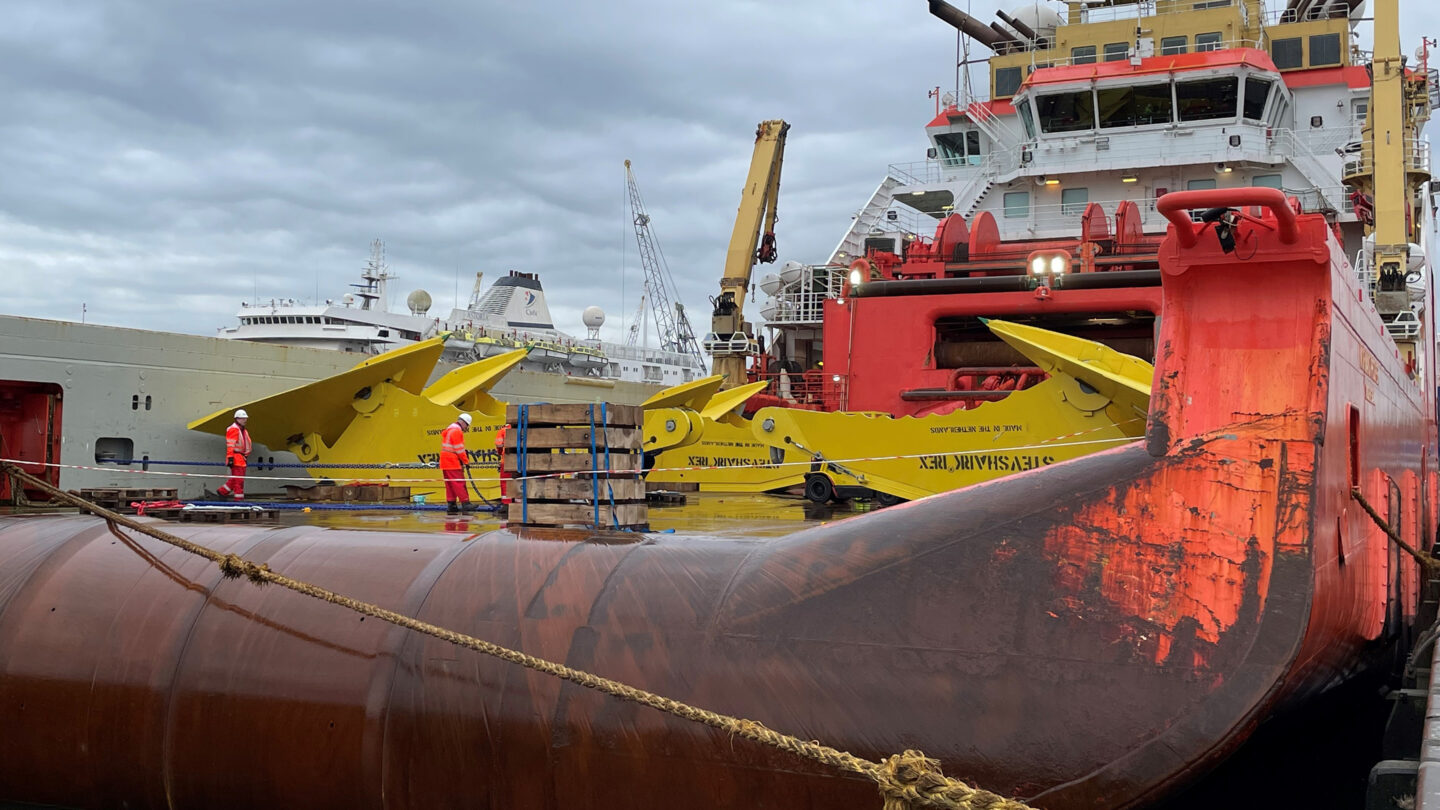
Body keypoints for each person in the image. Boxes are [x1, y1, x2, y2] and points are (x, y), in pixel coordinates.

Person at [440, 412, 474, 514]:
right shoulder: (456, 431)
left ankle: (452, 505)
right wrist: (466, 461)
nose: (466, 428)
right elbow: (459, 449)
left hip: (445, 461)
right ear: (464, 423)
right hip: (452, 461)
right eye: (467, 425)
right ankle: (465, 503)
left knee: (450, 484)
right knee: (459, 482)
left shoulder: (450, 430)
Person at [216, 409, 251, 500]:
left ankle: (222, 491)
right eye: (243, 418)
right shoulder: (234, 429)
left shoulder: (242, 430)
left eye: (245, 418)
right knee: (238, 481)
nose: (245, 420)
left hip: (241, 458)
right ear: (237, 419)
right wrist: (230, 458)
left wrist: (245, 455)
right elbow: (230, 445)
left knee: (237, 479)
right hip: (236, 458)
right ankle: (238, 500)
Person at [494, 422, 512, 507]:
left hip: (506, 460)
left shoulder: (503, 430)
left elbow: (499, 444)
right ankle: (517, 503)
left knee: (505, 483)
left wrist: (500, 452)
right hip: (520, 462)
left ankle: (506, 504)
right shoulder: (520, 429)